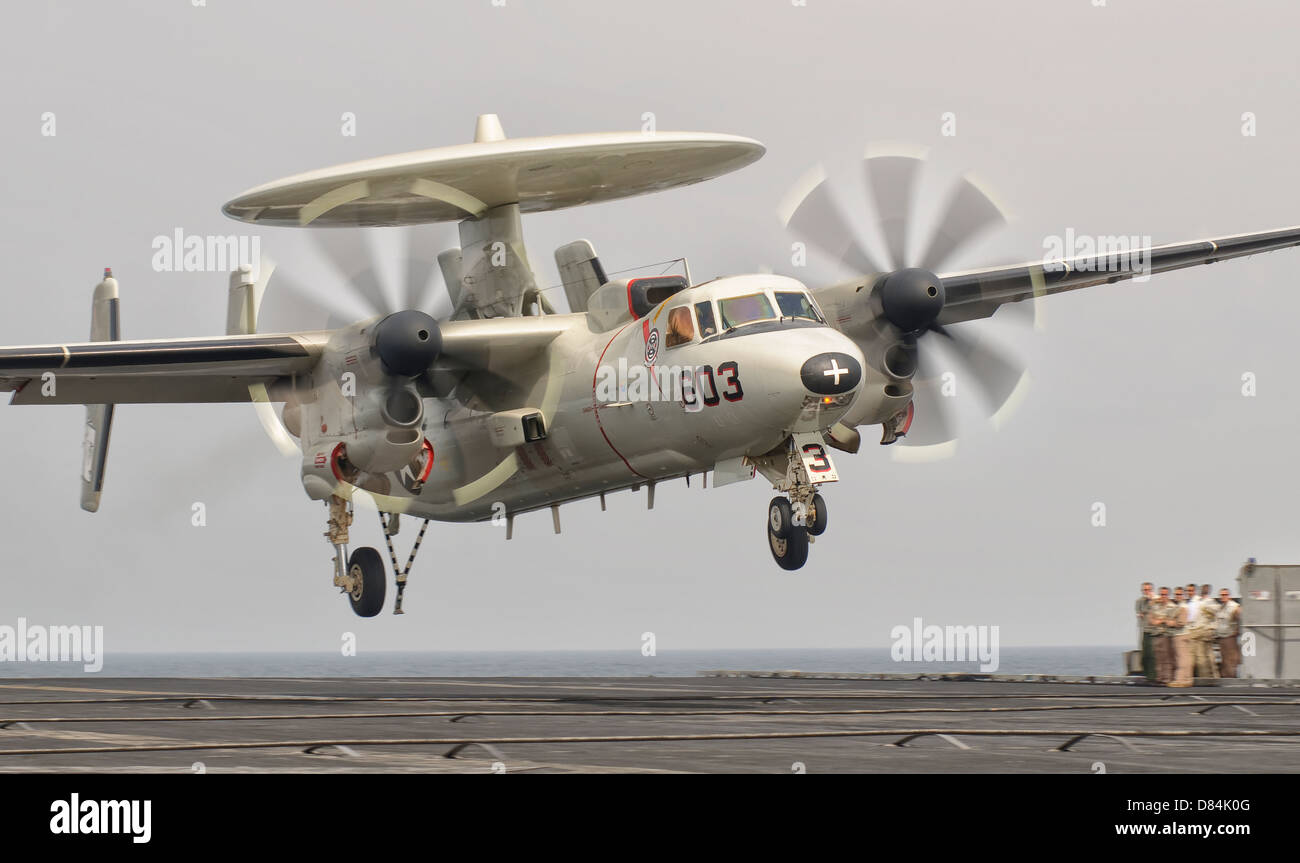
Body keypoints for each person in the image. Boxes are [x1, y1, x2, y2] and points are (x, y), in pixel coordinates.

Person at [1148, 587, 1175, 685]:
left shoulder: (1172, 607)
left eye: (1165, 594)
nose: (1163, 596)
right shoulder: (1155, 606)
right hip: (1156, 634)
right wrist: (1159, 621)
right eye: (1162, 594)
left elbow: (1170, 621)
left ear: (1168, 595)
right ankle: (1159, 677)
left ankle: (1167, 678)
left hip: (1167, 635)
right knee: (1158, 657)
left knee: (1167, 658)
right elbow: (1151, 620)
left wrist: (1160, 621)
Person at [1187, 596, 1220, 680]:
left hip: (1204, 634)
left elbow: (1214, 617)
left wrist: (1211, 628)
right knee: (1200, 659)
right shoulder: (1193, 604)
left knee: (1206, 659)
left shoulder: (1208, 604)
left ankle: (1209, 679)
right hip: (1196, 634)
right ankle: (1205, 679)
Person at [1168, 586, 1193, 687]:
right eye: (1176, 594)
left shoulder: (1182, 607)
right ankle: (1187, 678)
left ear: (1183, 595)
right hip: (1182, 634)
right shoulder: (1181, 606)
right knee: (1185, 657)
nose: (1177, 596)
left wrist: (1171, 623)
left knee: (1181, 658)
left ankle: (1180, 679)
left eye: (1179, 594)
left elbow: (1181, 622)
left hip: (1180, 635)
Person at [1215, 588, 1242, 678]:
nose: (1223, 597)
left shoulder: (1234, 607)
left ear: (1229, 596)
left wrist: (1237, 631)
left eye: (1225, 595)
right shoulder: (1221, 607)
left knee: (1231, 660)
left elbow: (1241, 620)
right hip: (1222, 637)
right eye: (1221, 595)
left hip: (1230, 638)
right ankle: (1226, 678)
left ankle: (1231, 679)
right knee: (1224, 660)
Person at [1136, 582, 1156, 681]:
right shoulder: (1139, 601)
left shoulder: (1156, 600)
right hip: (1144, 629)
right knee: (1145, 655)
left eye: (1148, 590)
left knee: (1153, 654)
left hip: (1155, 630)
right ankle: (1147, 675)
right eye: (1145, 590)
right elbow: (1139, 613)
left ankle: (1153, 676)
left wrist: (1151, 601)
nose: (1146, 592)